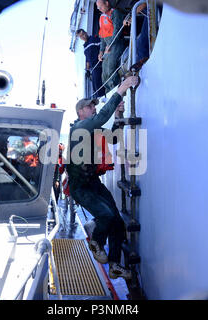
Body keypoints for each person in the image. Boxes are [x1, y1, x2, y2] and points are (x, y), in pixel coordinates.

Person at [66, 75, 138, 280]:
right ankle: (96, 241)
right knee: (106, 215)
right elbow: (100, 118)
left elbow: (114, 137)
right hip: (81, 187)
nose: (94, 109)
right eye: (90, 107)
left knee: (116, 222)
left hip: (93, 183)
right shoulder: (79, 128)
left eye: (94, 106)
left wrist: (118, 115)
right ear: (81, 112)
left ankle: (115, 265)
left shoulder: (94, 130)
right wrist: (121, 88)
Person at [96, 0, 127, 93]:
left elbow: (117, 30)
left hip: (116, 44)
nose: (100, 9)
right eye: (98, 8)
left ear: (106, 3)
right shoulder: (101, 17)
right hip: (107, 47)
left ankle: (116, 92)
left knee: (111, 69)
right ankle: (108, 93)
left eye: (101, 6)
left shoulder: (115, 13)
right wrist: (101, 51)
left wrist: (111, 44)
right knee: (104, 74)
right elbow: (102, 37)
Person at [76, 29, 106, 98]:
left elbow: (102, 47)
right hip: (93, 68)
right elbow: (87, 59)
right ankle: (100, 100)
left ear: (86, 33)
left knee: (98, 85)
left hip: (99, 64)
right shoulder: (85, 46)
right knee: (95, 87)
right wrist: (87, 70)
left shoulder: (93, 39)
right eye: (81, 36)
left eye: (83, 34)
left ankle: (102, 98)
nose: (83, 37)